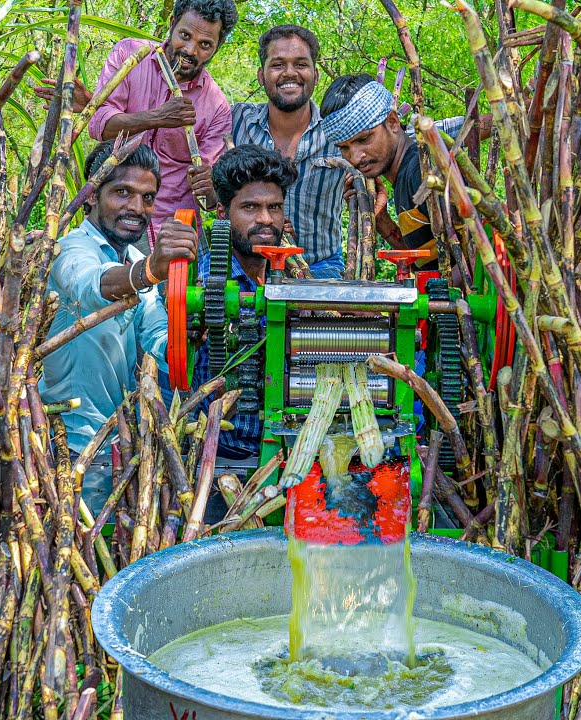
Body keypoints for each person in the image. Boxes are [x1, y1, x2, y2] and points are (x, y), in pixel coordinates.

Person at [39, 141, 199, 506]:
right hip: (69, 445)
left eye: (147, 198)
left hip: (119, 443)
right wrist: (148, 272)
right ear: (92, 195)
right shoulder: (69, 249)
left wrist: (187, 331)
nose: (136, 208)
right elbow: (91, 285)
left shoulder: (137, 256)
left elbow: (160, 340)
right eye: (122, 193)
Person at [88, 0, 237, 234]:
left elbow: (209, 200)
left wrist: (209, 187)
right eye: (185, 35)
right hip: (112, 221)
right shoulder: (130, 55)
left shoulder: (217, 105)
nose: (190, 50)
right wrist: (157, 117)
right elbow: (99, 125)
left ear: (218, 46)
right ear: (172, 23)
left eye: (205, 44)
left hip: (173, 230)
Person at [192, 144, 299, 458]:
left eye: (274, 208)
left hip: (288, 449)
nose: (265, 220)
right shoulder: (207, 285)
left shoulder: (295, 277)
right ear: (223, 213)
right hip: (227, 450)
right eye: (250, 208)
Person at [321, 74, 486, 270]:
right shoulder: (404, 178)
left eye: (364, 139)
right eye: (344, 147)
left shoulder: (423, 172)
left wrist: (440, 293)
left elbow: (480, 259)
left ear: (392, 122)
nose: (355, 157)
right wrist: (382, 221)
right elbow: (429, 262)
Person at [229, 25, 344, 278]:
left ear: (315, 73)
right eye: (278, 64)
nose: (289, 73)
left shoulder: (339, 131)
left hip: (320, 266)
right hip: (244, 265)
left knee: (325, 318)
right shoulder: (235, 120)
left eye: (300, 64)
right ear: (261, 75)